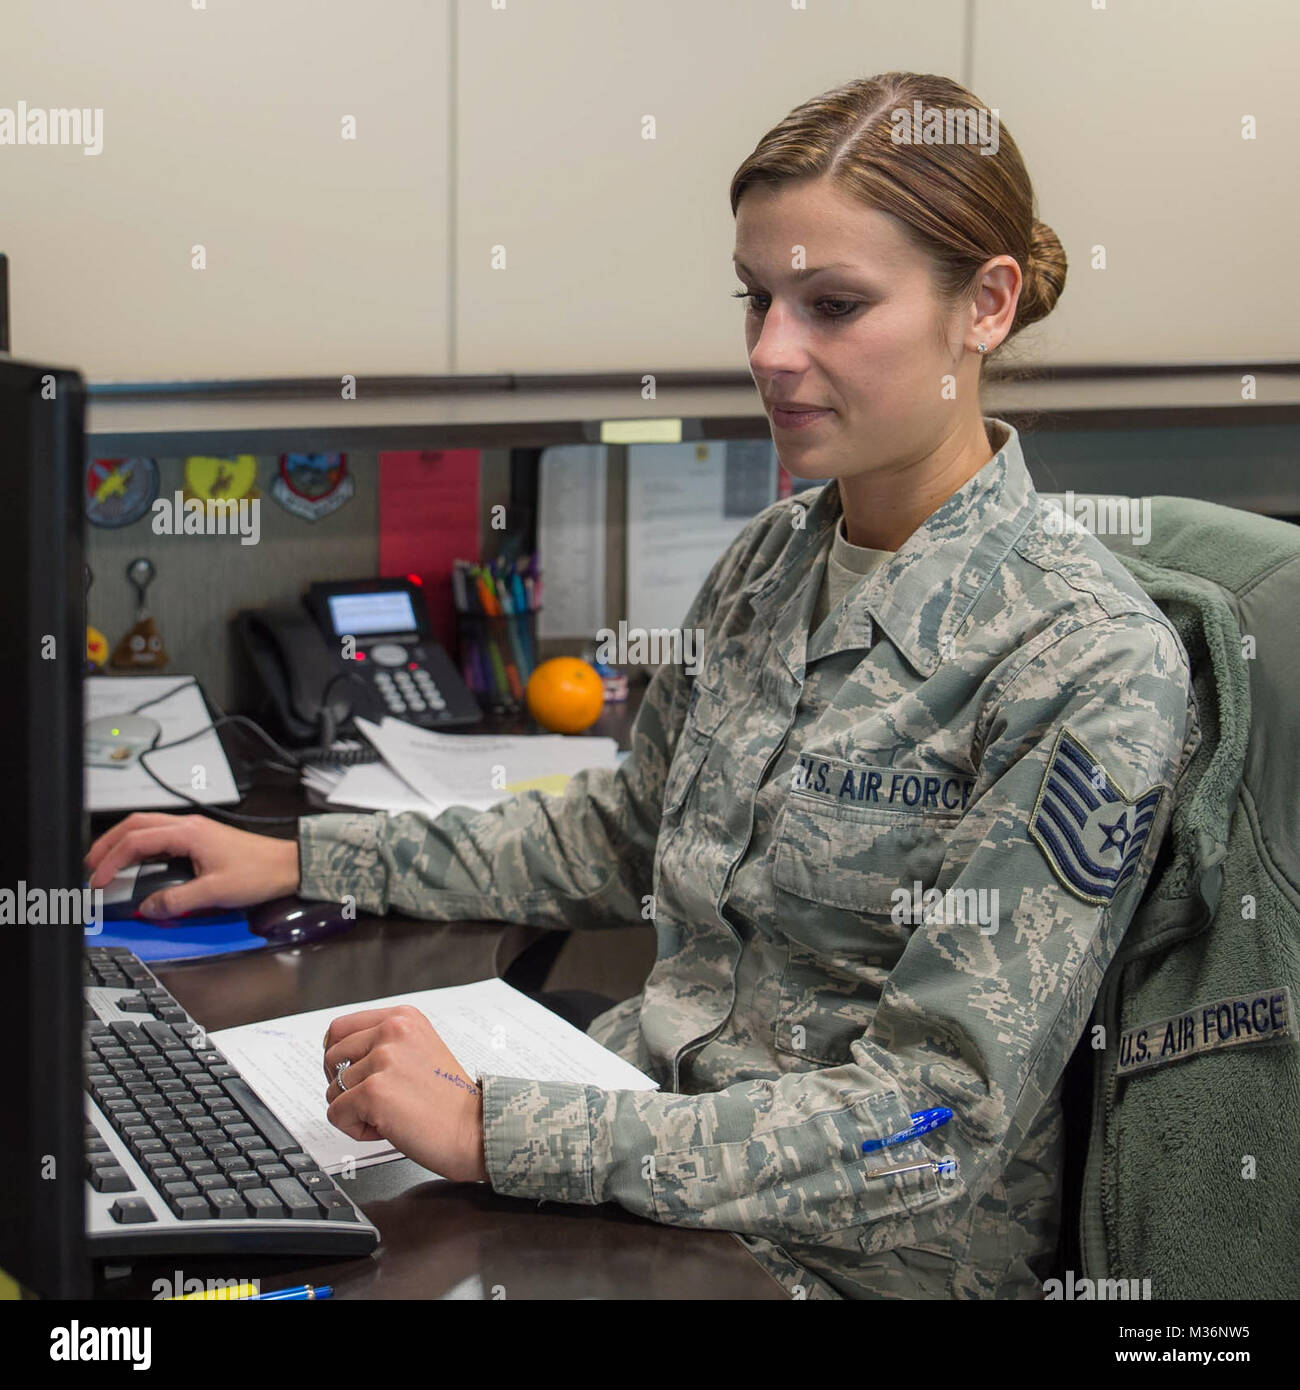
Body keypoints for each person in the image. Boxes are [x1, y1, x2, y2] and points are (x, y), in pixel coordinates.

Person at [85, 71, 1199, 1299]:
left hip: (830, 1263)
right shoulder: (773, 562)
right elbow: (625, 828)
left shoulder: (1085, 660)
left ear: (982, 306)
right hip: (631, 1160)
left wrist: (499, 1130)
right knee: (190, 1243)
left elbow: (926, 1129)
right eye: (757, 301)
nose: (773, 353)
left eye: (833, 305)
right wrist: (309, 859)